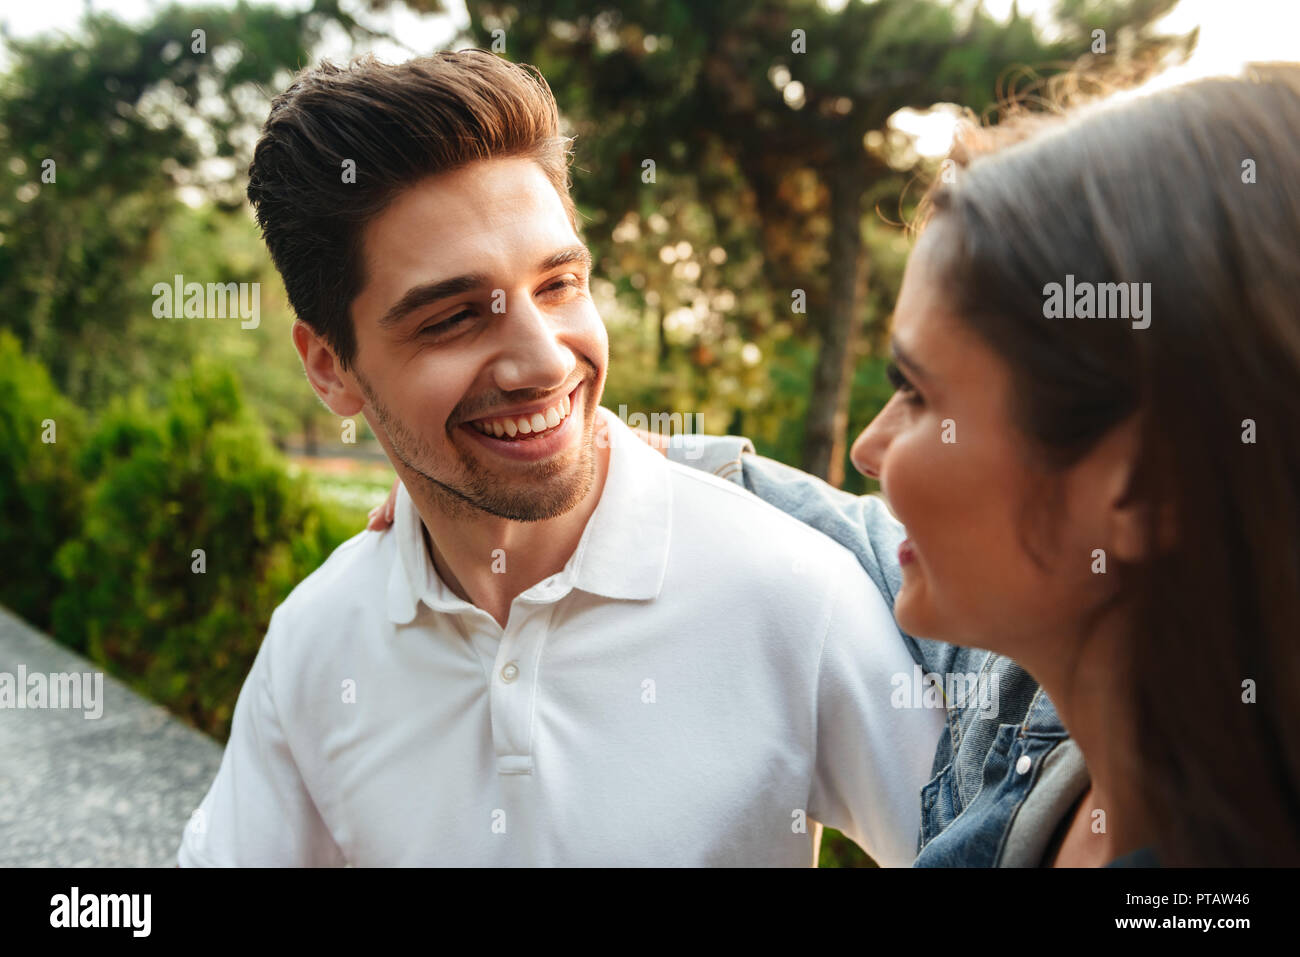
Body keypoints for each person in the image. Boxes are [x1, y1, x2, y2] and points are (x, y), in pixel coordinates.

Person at [370, 64, 1300, 866]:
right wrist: (561, 460)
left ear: (1131, 487)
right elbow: (861, 530)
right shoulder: (1035, 700)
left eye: (920, 395)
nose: (870, 448)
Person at [176, 51, 945, 867]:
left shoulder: (792, 590)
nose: (544, 363)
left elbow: (994, 833)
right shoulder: (314, 642)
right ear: (330, 366)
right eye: (453, 318)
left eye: (559, 285)